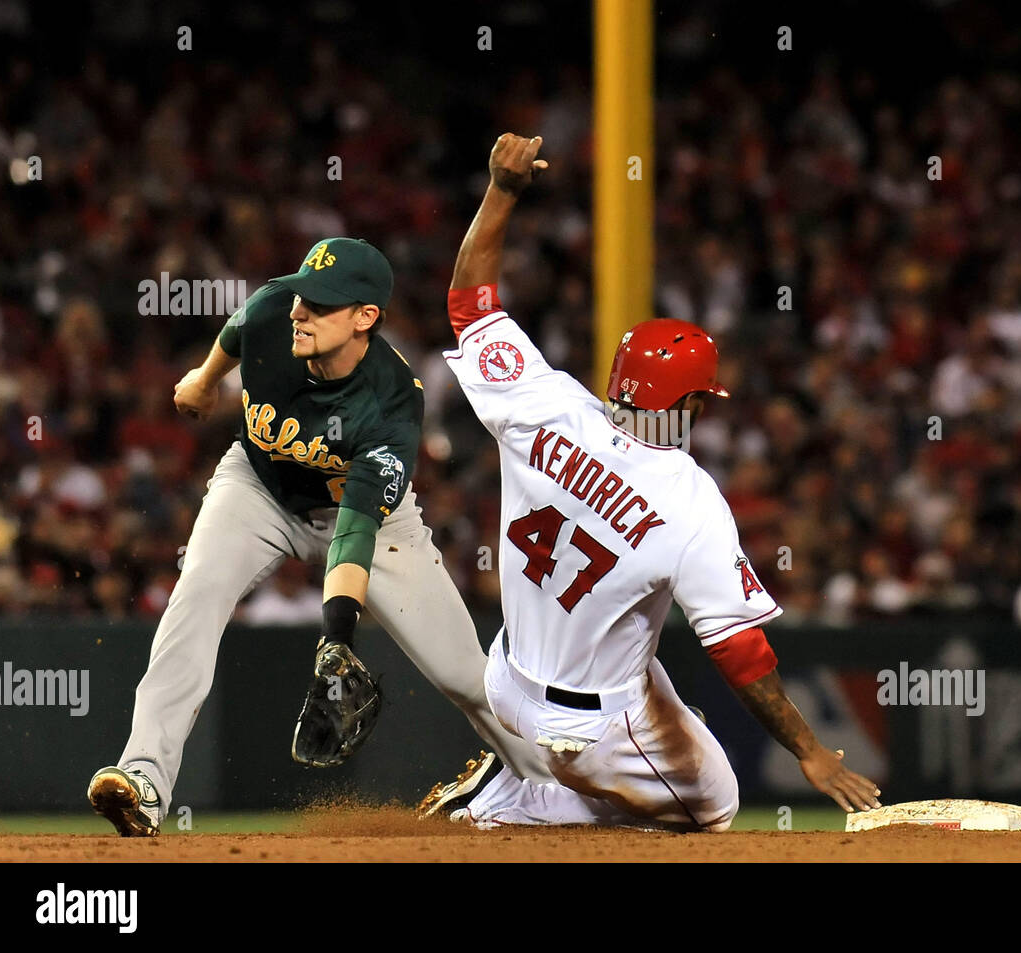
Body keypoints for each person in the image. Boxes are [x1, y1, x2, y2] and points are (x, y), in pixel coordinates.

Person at [423, 134, 881, 830]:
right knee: (713, 805)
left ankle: (539, 773)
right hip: (582, 724)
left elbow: (470, 304)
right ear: (691, 404)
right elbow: (738, 650)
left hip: (507, 675)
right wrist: (810, 750)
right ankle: (518, 802)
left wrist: (503, 190)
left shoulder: (545, 403)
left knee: (652, 683)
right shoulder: (690, 499)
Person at [87, 236, 548, 836]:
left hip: (362, 519)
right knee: (195, 597)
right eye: (303, 294)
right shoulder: (277, 308)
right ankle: (144, 782)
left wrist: (337, 638)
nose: (302, 310)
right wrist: (204, 380)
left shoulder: (391, 403)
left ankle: (559, 785)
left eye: (322, 304)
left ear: (366, 318)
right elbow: (239, 327)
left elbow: (354, 530)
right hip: (257, 488)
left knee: (465, 674)